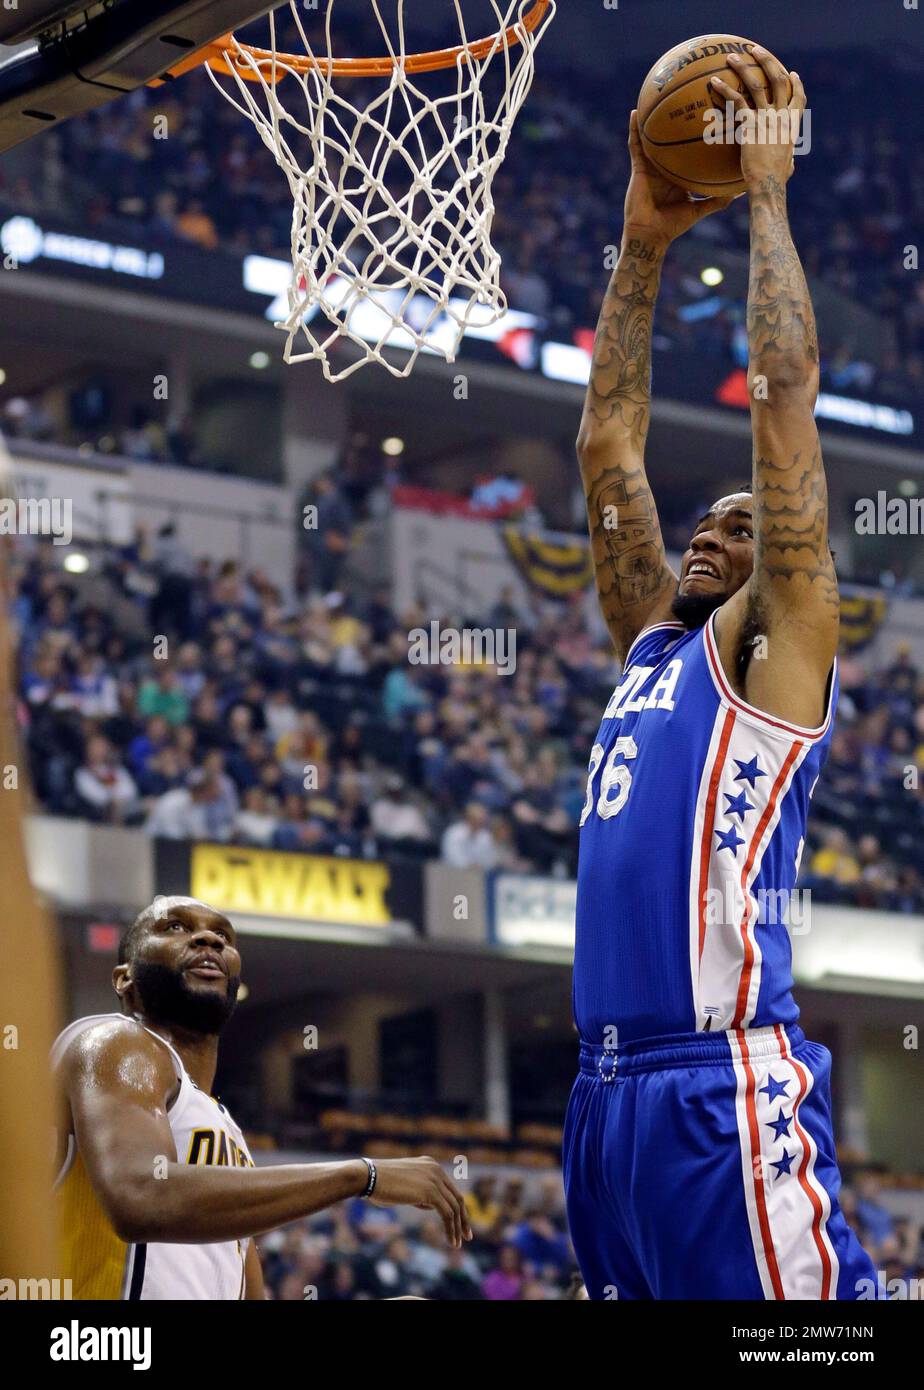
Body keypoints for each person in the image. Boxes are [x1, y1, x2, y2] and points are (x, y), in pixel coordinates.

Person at [564, 54, 876, 1301]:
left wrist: (765, 198)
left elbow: (785, 397)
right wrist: (640, 240)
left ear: (784, 564)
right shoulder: (655, 644)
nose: (710, 529)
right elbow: (605, 442)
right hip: (603, 1098)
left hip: (719, 1084)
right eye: (709, 519)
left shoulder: (781, 647)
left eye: (743, 526)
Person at [52, 895, 472, 1300]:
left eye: (223, 935)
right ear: (124, 978)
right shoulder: (112, 1041)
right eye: (175, 927)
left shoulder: (226, 1136)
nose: (209, 940)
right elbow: (140, 1198)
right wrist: (360, 1175)